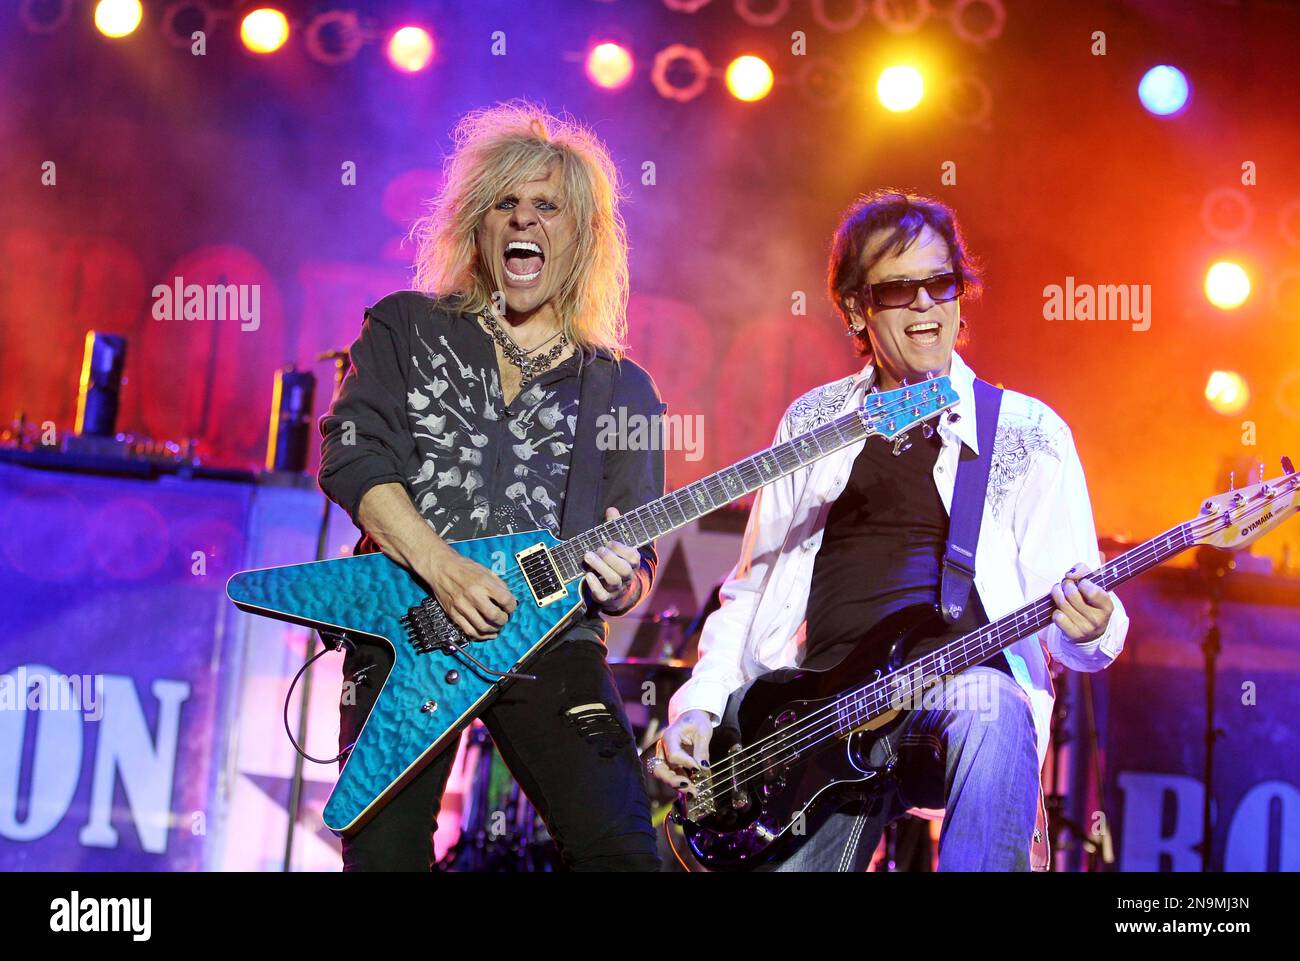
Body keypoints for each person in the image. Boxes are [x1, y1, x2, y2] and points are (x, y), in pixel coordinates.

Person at [651, 189, 1129, 871]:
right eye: (901, 289)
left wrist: (1091, 627)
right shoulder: (813, 421)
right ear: (856, 307)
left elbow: (1075, 629)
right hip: (810, 715)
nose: (928, 304)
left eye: (942, 282)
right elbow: (748, 592)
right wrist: (697, 709)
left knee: (991, 700)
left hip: (952, 697)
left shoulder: (1029, 434)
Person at [319, 101, 665, 871]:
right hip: (406, 622)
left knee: (625, 854)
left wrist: (618, 583)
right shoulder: (404, 327)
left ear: (581, 237)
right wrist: (442, 568)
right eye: (505, 203)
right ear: (476, 225)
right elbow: (352, 454)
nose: (524, 220)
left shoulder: (625, 390)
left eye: (548, 206)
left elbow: (636, 560)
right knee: (383, 858)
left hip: (551, 642)